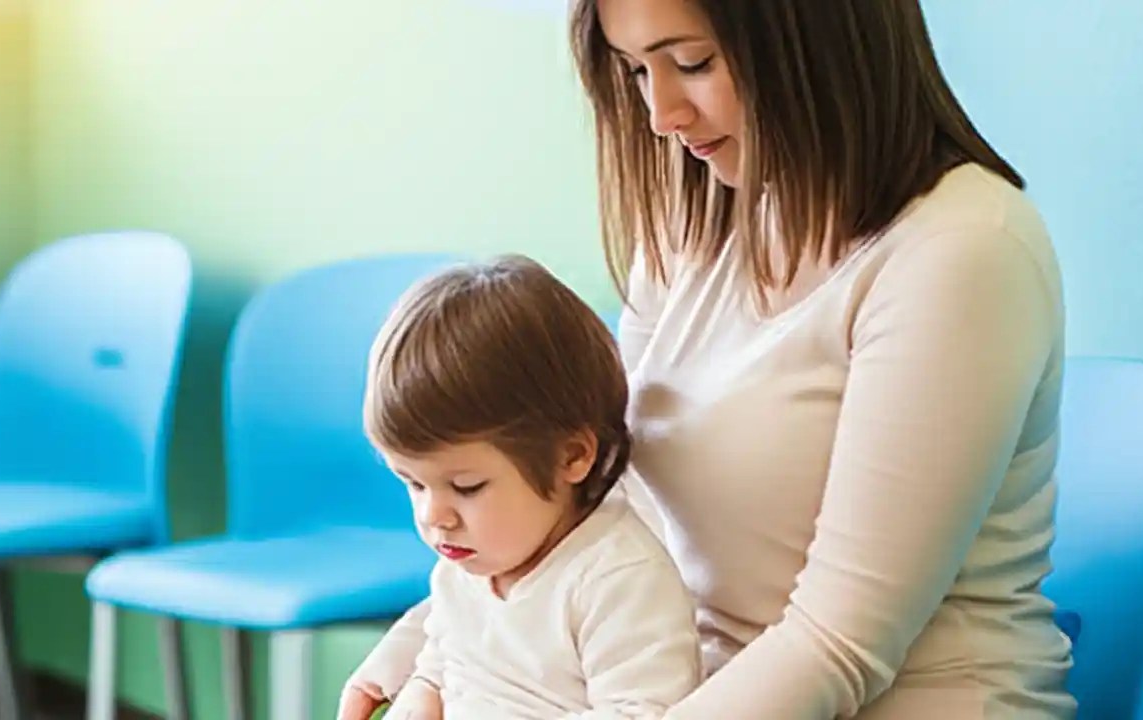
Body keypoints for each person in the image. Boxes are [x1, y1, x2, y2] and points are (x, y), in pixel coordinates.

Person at [342, 0, 1076, 717]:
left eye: (691, 63)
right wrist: (434, 645)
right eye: (635, 72)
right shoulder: (701, 216)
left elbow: (841, 641)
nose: (661, 114)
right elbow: (594, 500)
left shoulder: (963, 253)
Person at [350, 255, 701, 719]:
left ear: (571, 457)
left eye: (467, 486)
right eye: (413, 483)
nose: (434, 516)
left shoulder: (618, 579)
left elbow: (643, 712)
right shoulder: (468, 561)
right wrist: (422, 688)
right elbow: (447, 656)